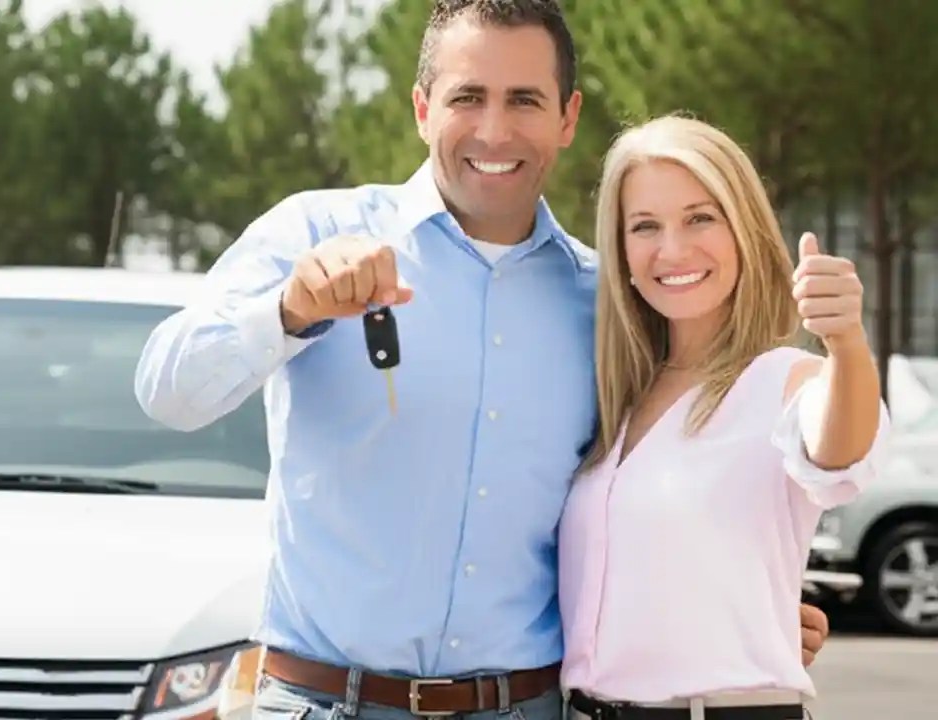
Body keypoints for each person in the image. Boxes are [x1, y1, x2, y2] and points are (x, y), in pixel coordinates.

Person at [135, 3, 829, 719]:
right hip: (322, 703)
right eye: (468, 96)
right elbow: (167, 391)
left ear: (567, 117)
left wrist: (743, 606)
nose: (495, 131)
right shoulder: (314, 232)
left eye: (524, 100)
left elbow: (656, 492)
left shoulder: (615, 307)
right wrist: (289, 309)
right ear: (421, 109)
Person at [557, 115, 889, 719]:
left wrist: (845, 342)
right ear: (622, 250)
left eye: (700, 218)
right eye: (645, 226)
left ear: (745, 230)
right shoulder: (615, 399)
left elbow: (838, 448)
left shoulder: (789, 380)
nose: (674, 249)